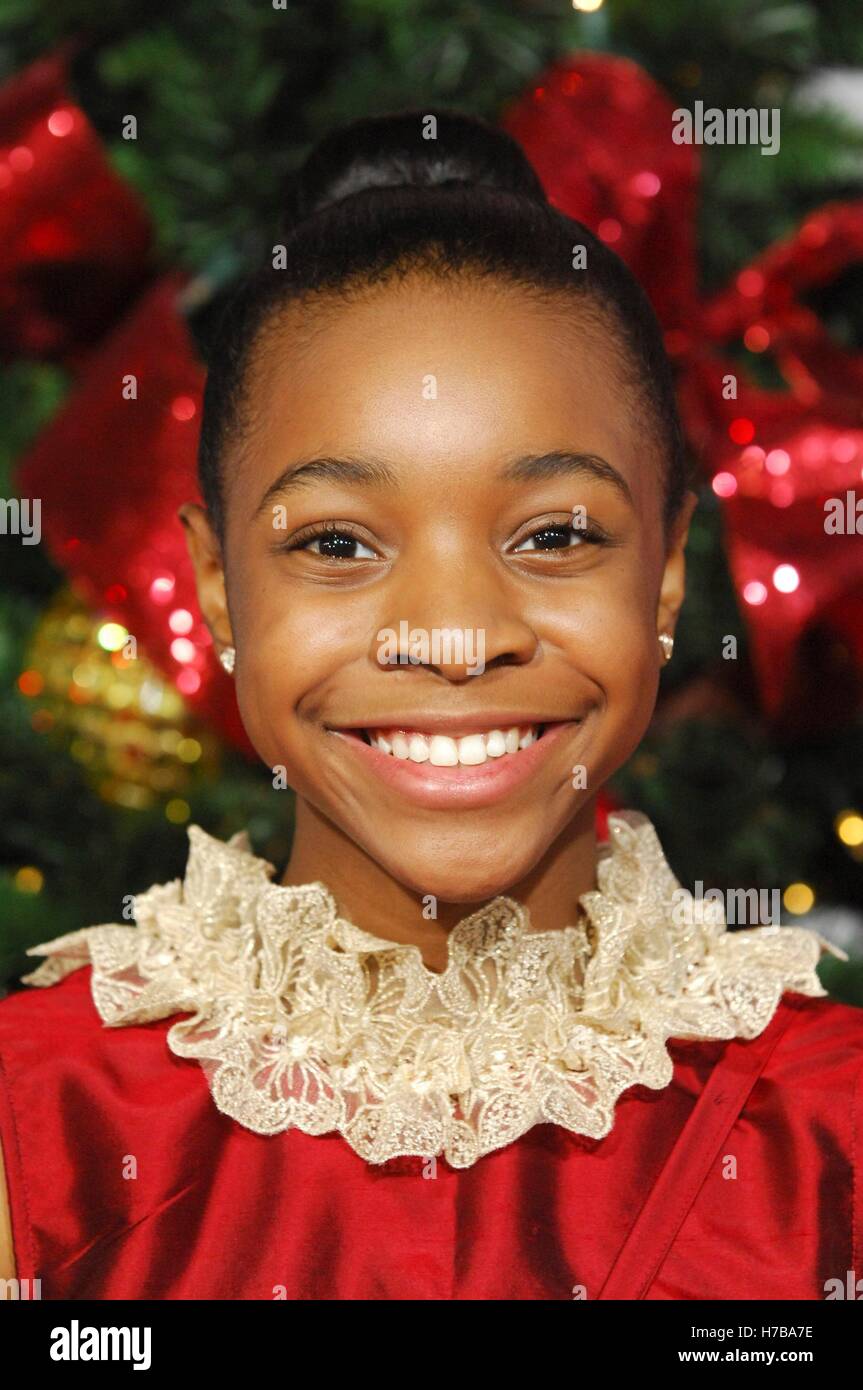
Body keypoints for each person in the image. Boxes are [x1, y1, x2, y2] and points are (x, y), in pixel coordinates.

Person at [1, 110, 861, 1302]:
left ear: (663, 572)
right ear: (216, 587)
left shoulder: (834, 1138)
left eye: (554, 534)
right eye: (339, 542)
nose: (452, 635)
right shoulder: (32, 1131)